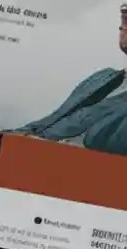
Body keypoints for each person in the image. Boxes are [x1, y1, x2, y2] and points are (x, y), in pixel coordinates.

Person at [12, 4, 127, 155]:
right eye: (124, 19)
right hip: (26, 150)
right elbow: (51, 121)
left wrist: (58, 149)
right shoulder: (102, 78)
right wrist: (13, 135)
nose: (122, 27)